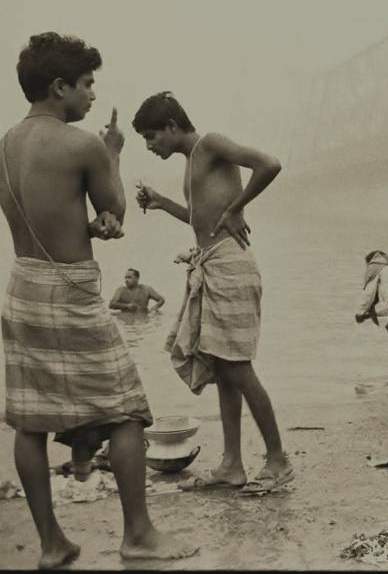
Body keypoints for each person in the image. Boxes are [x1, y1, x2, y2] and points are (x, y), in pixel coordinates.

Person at [0, 33, 196, 567]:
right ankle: (139, 536)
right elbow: (115, 210)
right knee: (126, 411)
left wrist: (90, 225)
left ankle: (51, 545)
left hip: (22, 284)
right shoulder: (81, 143)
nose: (91, 96)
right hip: (72, 288)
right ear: (59, 86)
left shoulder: (6, 143)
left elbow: (48, 216)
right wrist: (111, 151)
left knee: (30, 421)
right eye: (86, 85)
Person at [132, 92, 293, 494]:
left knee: (238, 367)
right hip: (212, 263)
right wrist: (162, 203)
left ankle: (278, 460)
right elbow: (201, 217)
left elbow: (269, 164)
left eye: (152, 137)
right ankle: (232, 465)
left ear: (171, 126)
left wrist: (239, 207)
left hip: (231, 265)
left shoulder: (212, 143)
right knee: (223, 370)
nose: (150, 146)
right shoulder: (192, 162)